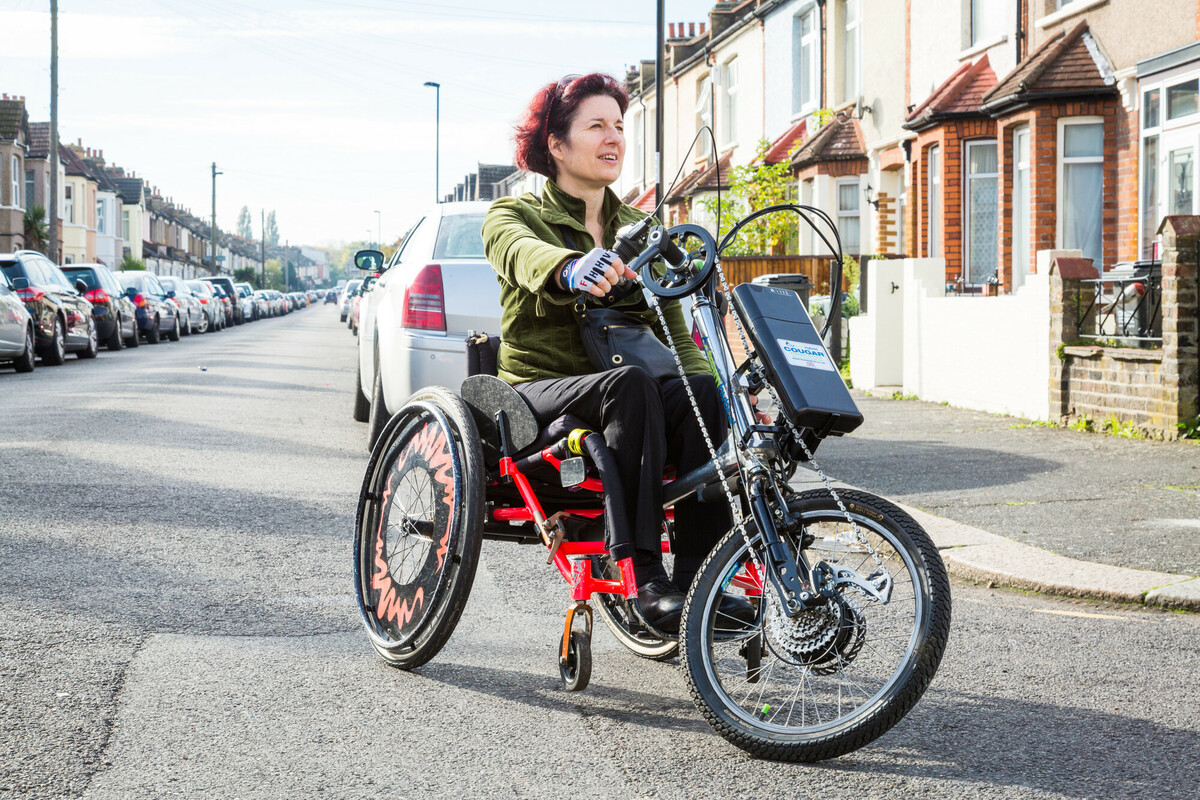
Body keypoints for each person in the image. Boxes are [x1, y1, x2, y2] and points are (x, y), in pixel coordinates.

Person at [482, 73, 752, 633]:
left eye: (620, 126)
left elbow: (679, 340)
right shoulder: (514, 216)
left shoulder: (643, 229)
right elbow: (519, 254)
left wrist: (717, 396)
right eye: (597, 125)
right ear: (556, 144)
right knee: (629, 384)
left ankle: (702, 582)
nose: (614, 138)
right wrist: (569, 268)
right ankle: (642, 577)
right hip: (541, 390)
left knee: (700, 393)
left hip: (625, 391)